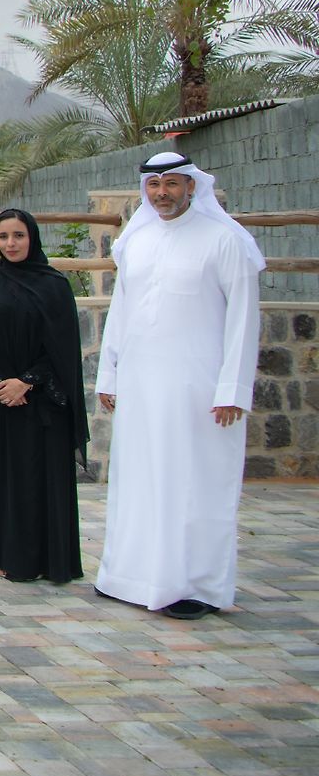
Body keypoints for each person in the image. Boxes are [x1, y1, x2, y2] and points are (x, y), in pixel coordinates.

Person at [94, 151, 263, 620]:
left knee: (194, 484)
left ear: (191, 186)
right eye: (153, 185)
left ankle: (194, 587)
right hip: (141, 386)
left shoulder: (225, 240)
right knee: (139, 481)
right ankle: (127, 576)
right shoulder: (137, 241)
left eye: (171, 183)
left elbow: (244, 320)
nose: (162, 193)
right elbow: (121, 312)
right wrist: (110, 374)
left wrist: (232, 389)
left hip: (199, 392)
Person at [0, 208, 86, 585]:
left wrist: (27, 382)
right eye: (3, 237)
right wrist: (2, 384)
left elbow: (64, 349)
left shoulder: (55, 286)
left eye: (18, 236)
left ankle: (40, 559)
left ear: (32, 238)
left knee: (35, 482)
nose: (10, 244)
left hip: (42, 404)